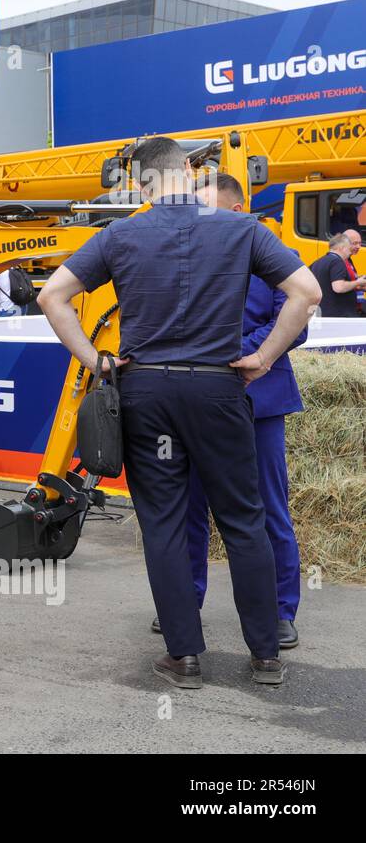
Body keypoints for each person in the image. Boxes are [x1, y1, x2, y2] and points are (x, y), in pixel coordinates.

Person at [37, 137, 321, 690]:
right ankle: (266, 655)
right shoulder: (241, 229)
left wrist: (96, 360)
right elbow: (306, 292)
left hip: (146, 393)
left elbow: (52, 296)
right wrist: (262, 357)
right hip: (219, 389)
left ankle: (184, 657)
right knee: (244, 520)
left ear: (140, 181)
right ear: (190, 170)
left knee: (164, 526)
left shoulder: (120, 235)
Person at [155, 173, 306, 648]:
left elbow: (295, 321)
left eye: (212, 211)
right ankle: (185, 605)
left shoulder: (279, 259)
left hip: (257, 404)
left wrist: (241, 355)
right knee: (189, 512)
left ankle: (280, 612)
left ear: (239, 212)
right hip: (196, 403)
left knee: (266, 510)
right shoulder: (190, 258)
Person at [308, 231, 365, 317]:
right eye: (349, 248)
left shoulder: (317, 262)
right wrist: (358, 282)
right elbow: (339, 287)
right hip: (339, 315)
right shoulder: (337, 262)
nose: (350, 252)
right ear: (341, 247)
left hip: (322, 313)